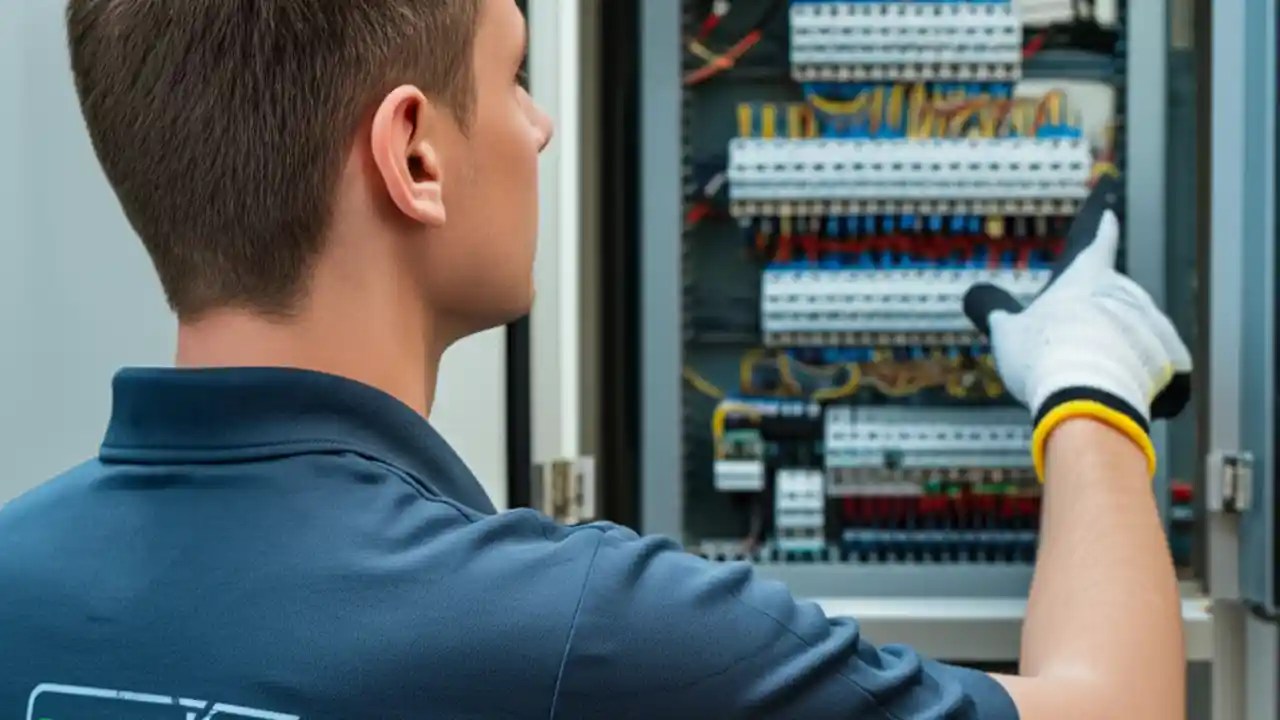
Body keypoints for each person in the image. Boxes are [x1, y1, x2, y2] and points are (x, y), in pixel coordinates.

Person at [0, 0, 1193, 718]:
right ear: (412, 155)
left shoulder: (14, 578)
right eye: (513, 70)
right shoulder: (582, 628)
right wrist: (1088, 394)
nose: (539, 122)